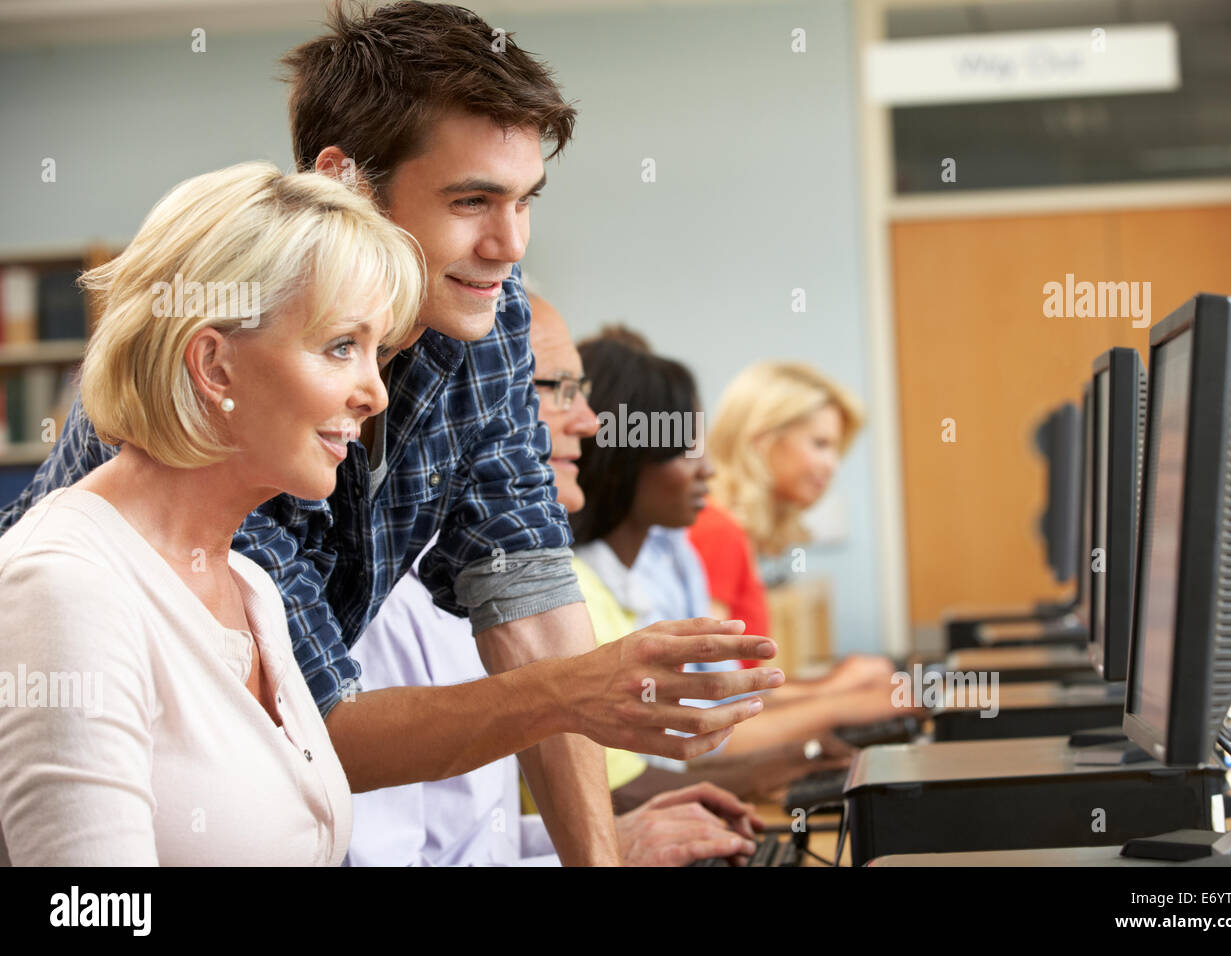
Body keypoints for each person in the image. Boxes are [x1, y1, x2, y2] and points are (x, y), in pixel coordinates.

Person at [0, 2, 776, 865]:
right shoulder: (89, 568)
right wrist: (567, 693)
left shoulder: (249, 586)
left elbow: (524, 595)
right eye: (472, 199)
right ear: (345, 180)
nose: (510, 244)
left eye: (525, 201)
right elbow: (328, 734)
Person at [0, 163, 425, 864]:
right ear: (214, 366)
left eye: (376, 352)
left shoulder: (251, 588)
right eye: (342, 346)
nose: (374, 393)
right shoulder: (66, 585)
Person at [346, 295, 763, 866]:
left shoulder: (486, 586)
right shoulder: (383, 605)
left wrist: (622, 837)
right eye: (553, 388)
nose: (590, 423)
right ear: (466, 404)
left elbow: (476, 843)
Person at [570, 331, 902, 807]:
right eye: (820, 444)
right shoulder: (695, 540)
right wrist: (840, 706)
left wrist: (807, 739)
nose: (708, 469)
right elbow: (707, 717)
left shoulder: (639, 570)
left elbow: (709, 705)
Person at [691, 360, 897, 697]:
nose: (832, 465)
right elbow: (708, 695)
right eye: (820, 444)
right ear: (762, 440)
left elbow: (737, 691)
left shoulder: (731, 531)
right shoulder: (718, 531)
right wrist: (835, 689)